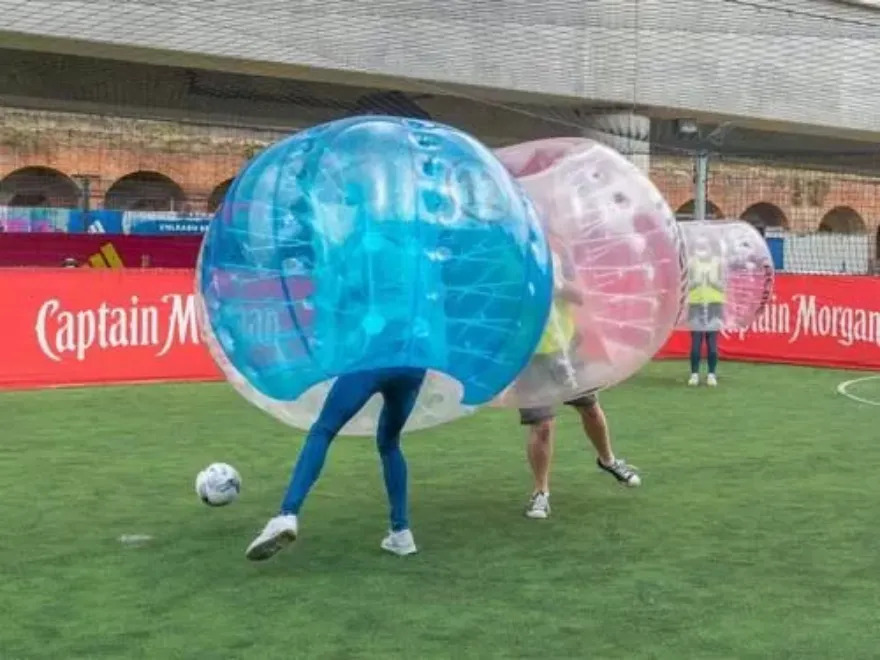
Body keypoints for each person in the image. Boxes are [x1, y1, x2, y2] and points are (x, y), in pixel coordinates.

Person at [246, 367, 426, 561]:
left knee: (323, 430)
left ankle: (287, 514)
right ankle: (401, 532)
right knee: (390, 443)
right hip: (412, 367)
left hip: (371, 359)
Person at [517, 243, 640, 520]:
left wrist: (558, 286)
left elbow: (580, 296)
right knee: (543, 425)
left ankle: (608, 460)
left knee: (590, 407)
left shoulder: (558, 257)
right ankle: (541, 492)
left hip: (565, 350)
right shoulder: (514, 261)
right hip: (530, 357)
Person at [686, 237, 725, 387]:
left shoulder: (718, 263)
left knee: (712, 342)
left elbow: (724, 285)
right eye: (700, 247)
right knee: (696, 342)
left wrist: (714, 282)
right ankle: (694, 374)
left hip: (714, 304)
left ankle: (711, 374)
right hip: (696, 304)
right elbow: (684, 284)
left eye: (706, 246)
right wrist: (694, 283)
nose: (703, 250)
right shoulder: (692, 263)